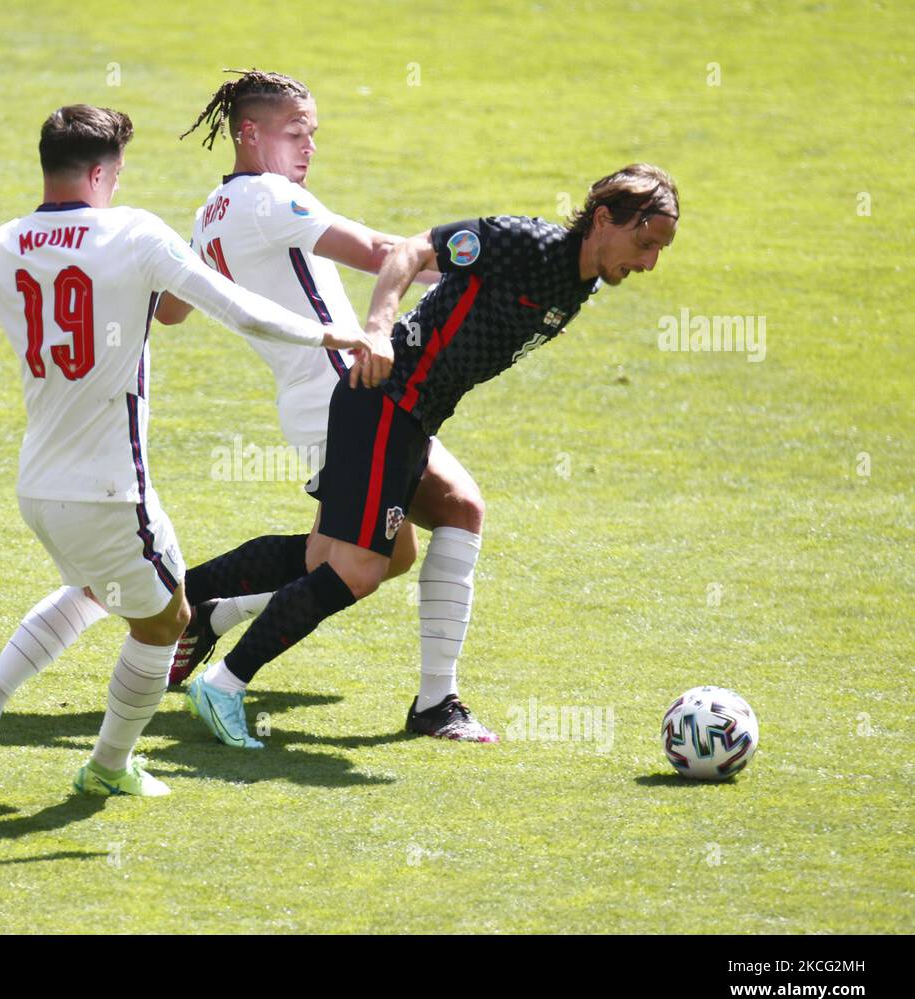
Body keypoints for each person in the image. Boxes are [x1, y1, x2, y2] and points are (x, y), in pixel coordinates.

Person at [0, 104, 369, 796]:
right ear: (98, 172)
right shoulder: (135, 232)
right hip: (113, 490)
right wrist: (334, 337)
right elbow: (239, 309)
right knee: (166, 621)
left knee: (92, 592)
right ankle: (109, 768)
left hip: (39, 487)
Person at [185, 164, 679, 751]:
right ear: (603, 219)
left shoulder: (580, 283)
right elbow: (413, 250)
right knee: (357, 569)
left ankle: (190, 603)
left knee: (352, 551)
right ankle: (223, 682)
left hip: (411, 420)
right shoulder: (524, 242)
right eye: (645, 244)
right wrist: (377, 327)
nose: (648, 263)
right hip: (381, 404)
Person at [156, 71, 492, 748]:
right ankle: (435, 703)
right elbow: (379, 252)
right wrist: (487, 268)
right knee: (448, 515)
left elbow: (171, 310)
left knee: (361, 557)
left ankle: (204, 611)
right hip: (353, 391)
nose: (308, 147)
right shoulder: (268, 198)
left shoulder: (211, 214)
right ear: (250, 133)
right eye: (295, 132)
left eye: (313, 133)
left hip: (312, 399)